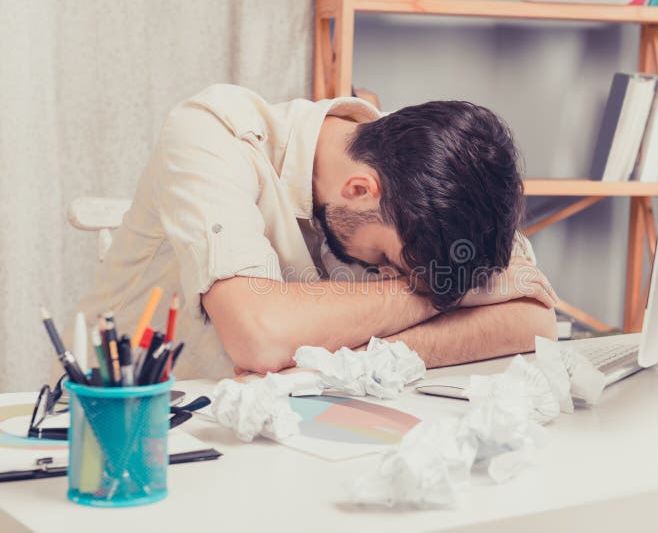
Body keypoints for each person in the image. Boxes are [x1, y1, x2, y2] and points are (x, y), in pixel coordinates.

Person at [77, 84, 558, 379]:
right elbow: (259, 338)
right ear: (358, 189)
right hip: (128, 420)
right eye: (390, 263)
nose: (387, 273)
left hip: (280, 423)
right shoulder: (211, 132)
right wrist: (432, 296)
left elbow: (533, 319)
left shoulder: (421, 169)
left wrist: (355, 359)